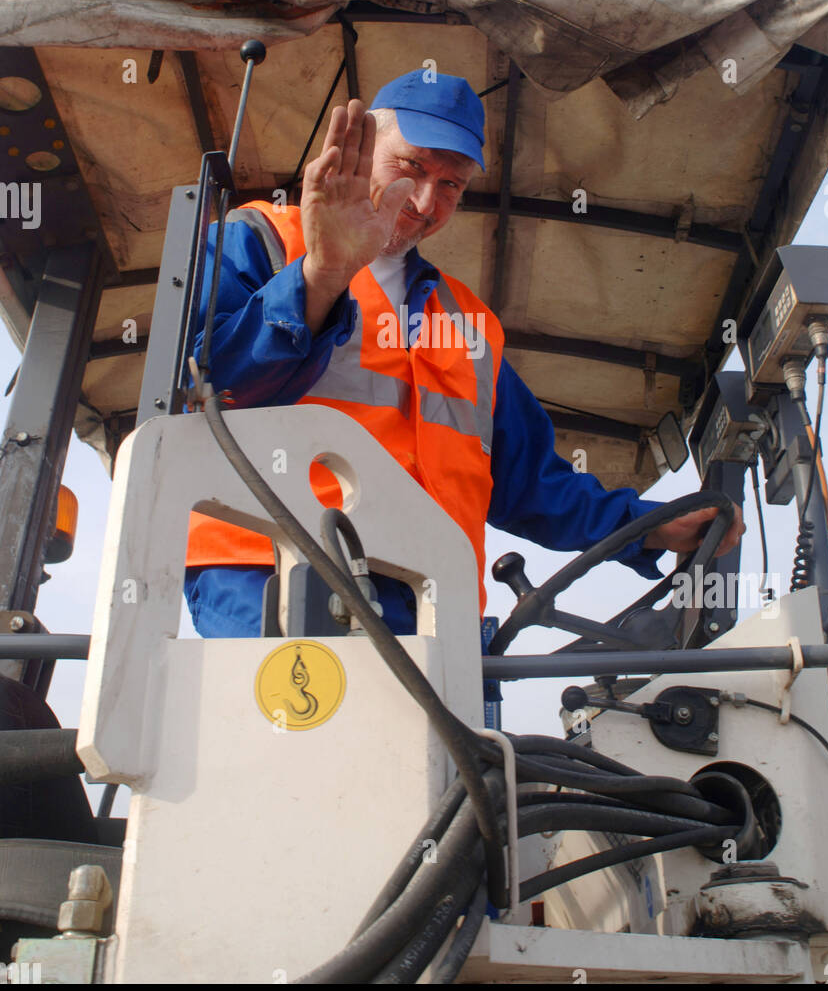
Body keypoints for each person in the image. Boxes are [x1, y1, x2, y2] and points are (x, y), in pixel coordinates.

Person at [184, 70, 744, 637]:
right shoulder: (261, 239)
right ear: (362, 148)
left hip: (432, 606)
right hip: (271, 575)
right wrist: (322, 275)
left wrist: (651, 524)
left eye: (452, 184)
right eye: (412, 167)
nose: (427, 202)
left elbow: (531, 484)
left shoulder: (471, 323)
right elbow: (212, 386)